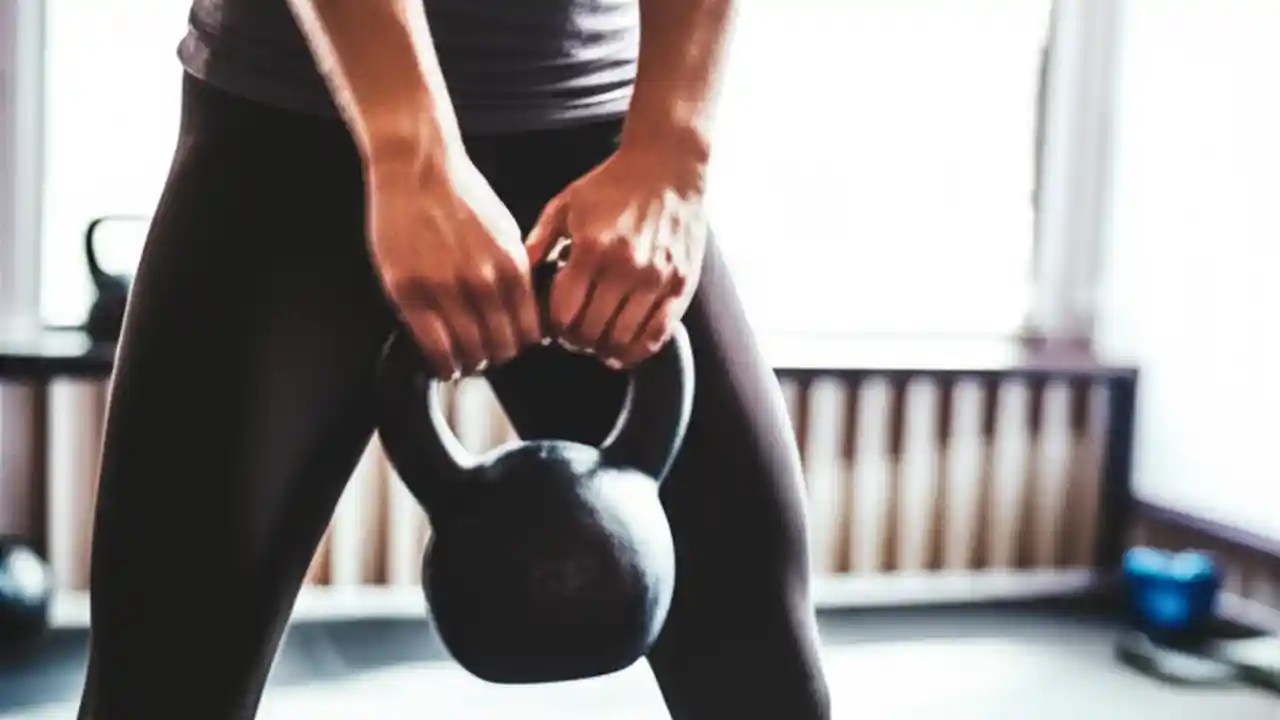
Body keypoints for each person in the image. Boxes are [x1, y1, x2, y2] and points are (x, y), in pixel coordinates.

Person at [77, 1, 831, 718]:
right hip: (287, 135)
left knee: (764, 678)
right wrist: (411, 149)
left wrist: (672, 156)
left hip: (595, 139)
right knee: (158, 687)